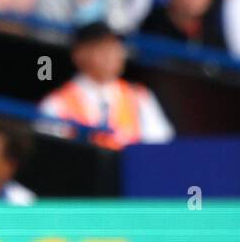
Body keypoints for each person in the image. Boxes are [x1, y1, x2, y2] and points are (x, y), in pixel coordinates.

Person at [38, 22, 174, 149]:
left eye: (115, 47)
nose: (111, 54)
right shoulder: (57, 104)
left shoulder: (139, 97)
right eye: (102, 48)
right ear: (79, 54)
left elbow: (161, 147)